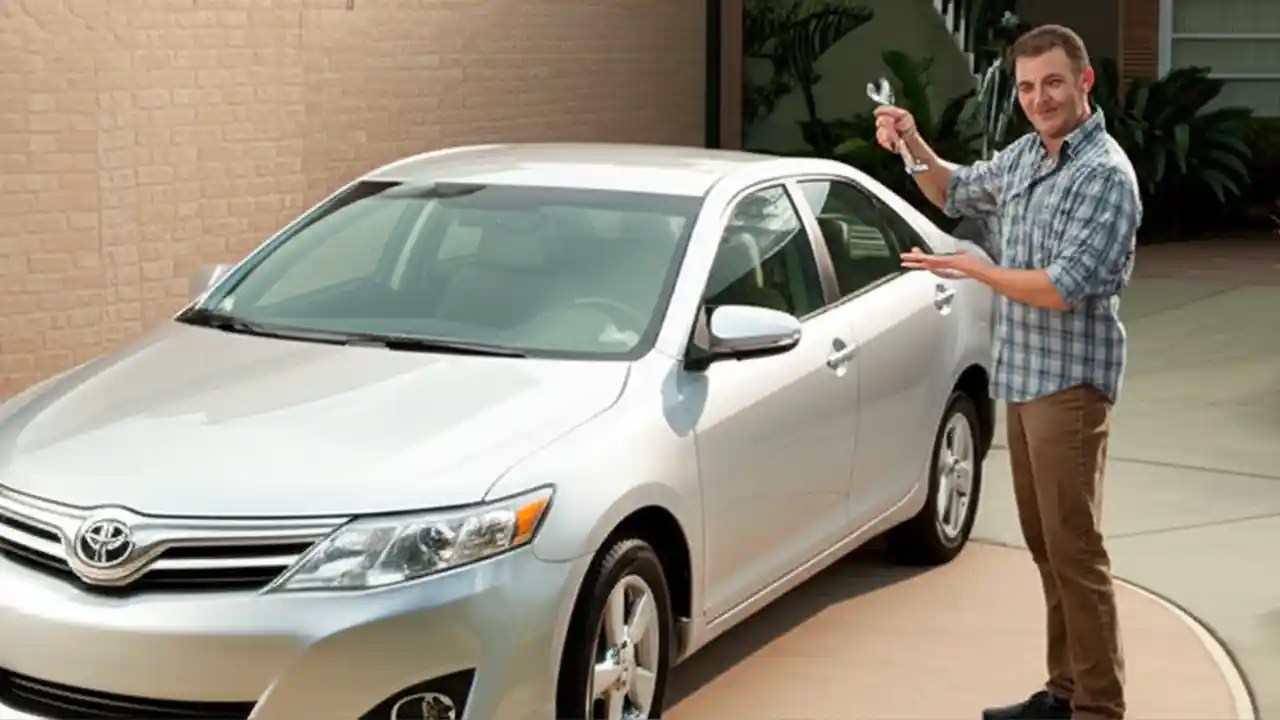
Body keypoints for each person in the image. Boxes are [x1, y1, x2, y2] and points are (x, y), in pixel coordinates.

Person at [873, 24, 1142, 720]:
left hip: (1069, 390)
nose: (1038, 98)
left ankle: (1099, 709)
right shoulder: (1027, 157)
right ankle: (1064, 692)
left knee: (1075, 552)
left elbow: (1064, 284)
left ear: (1084, 82)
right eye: (1026, 86)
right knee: (1048, 549)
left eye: (1052, 82)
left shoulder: (1104, 174)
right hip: (1021, 380)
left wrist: (980, 269)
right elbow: (955, 190)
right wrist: (911, 144)